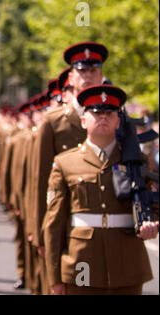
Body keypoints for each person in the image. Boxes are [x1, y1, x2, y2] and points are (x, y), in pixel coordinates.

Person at [43, 84, 158, 295]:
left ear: (118, 121)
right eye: (96, 113)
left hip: (127, 266)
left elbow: (154, 203)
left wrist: (152, 223)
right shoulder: (65, 163)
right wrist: (54, 278)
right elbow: (53, 224)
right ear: (84, 120)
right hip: (82, 264)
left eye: (109, 113)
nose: (103, 117)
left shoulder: (138, 162)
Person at [30, 42, 108, 294]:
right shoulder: (53, 122)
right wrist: (38, 230)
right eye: (81, 71)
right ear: (71, 76)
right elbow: (39, 179)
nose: (87, 76)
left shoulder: (114, 118)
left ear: (101, 75)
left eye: (93, 71)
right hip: (59, 220)